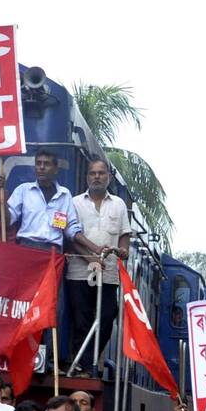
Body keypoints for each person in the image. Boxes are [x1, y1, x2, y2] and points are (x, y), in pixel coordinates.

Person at [66, 159, 131, 373]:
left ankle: (85, 361)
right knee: (81, 318)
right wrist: (90, 258)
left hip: (109, 272)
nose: (97, 176)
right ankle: (82, 366)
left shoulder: (119, 204)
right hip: (78, 271)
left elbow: (124, 234)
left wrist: (124, 251)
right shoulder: (74, 203)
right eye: (93, 173)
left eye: (101, 173)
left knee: (108, 315)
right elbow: (71, 237)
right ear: (87, 177)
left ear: (108, 177)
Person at [6, 149, 99, 259]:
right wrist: (1, 199)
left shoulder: (64, 194)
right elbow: (8, 220)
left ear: (55, 169)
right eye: (38, 163)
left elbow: (70, 228)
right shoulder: (23, 190)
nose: (41, 167)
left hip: (53, 252)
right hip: (27, 248)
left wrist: (94, 248)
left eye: (46, 164)